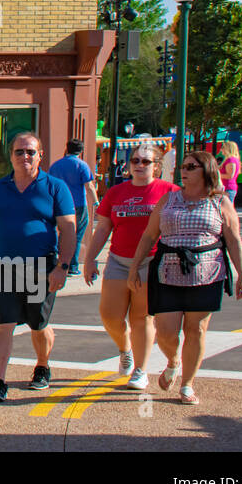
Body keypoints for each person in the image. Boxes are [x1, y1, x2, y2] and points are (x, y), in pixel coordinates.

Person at [128, 150, 242, 405]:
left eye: (191, 167)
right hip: (167, 273)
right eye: (183, 166)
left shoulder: (220, 202)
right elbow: (149, 235)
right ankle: (173, 362)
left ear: (206, 171)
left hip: (207, 274)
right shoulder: (168, 200)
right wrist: (134, 267)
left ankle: (187, 385)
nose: (184, 171)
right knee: (165, 332)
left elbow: (233, 239)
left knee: (195, 330)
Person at [0, 132, 76, 402]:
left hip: (41, 267)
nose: (25, 156)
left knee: (38, 324)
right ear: (11, 156)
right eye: (19, 152)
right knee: (4, 323)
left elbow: (68, 229)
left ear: (41, 155)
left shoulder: (55, 187)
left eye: (31, 152)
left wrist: (62, 266)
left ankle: (42, 366)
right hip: (5, 266)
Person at [84, 143, 178, 390]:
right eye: (135, 160)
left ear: (156, 166)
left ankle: (140, 369)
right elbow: (103, 227)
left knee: (141, 317)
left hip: (151, 262)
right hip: (118, 260)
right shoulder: (116, 193)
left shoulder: (169, 192)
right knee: (110, 315)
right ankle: (124, 350)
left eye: (145, 161)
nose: (139, 165)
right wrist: (90, 258)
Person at [49, 139, 98, 277]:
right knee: (76, 235)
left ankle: (57, 261)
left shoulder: (55, 166)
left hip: (58, 204)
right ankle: (72, 266)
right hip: (78, 205)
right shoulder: (82, 165)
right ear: (81, 151)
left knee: (59, 233)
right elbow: (89, 186)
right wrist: (96, 203)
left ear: (67, 148)